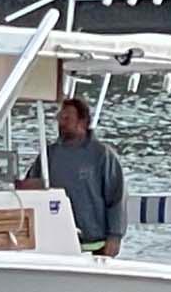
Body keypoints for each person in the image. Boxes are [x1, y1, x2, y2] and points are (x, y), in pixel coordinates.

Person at [18, 97, 127, 256]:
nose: (61, 122)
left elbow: (117, 197)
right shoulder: (49, 154)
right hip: (58, 243)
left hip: (96, 244)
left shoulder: (102, 155)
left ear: (82, 122)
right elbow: (33, 187)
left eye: (67, 118)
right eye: (60, 117)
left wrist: (115, 236)